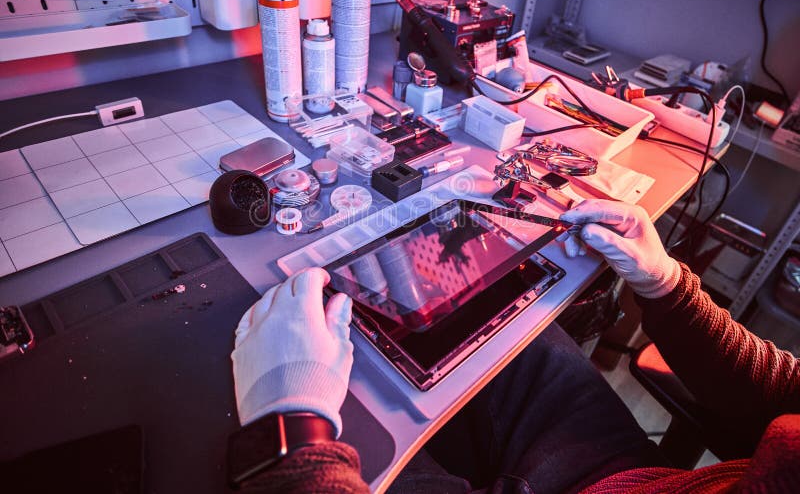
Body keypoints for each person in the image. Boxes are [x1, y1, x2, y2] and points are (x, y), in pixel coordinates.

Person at [230, 199, 800, 493]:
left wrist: (288, 433)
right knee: (487, 325)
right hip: (630, 477)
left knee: (351, 427)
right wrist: (669, 287)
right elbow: (783, 392)